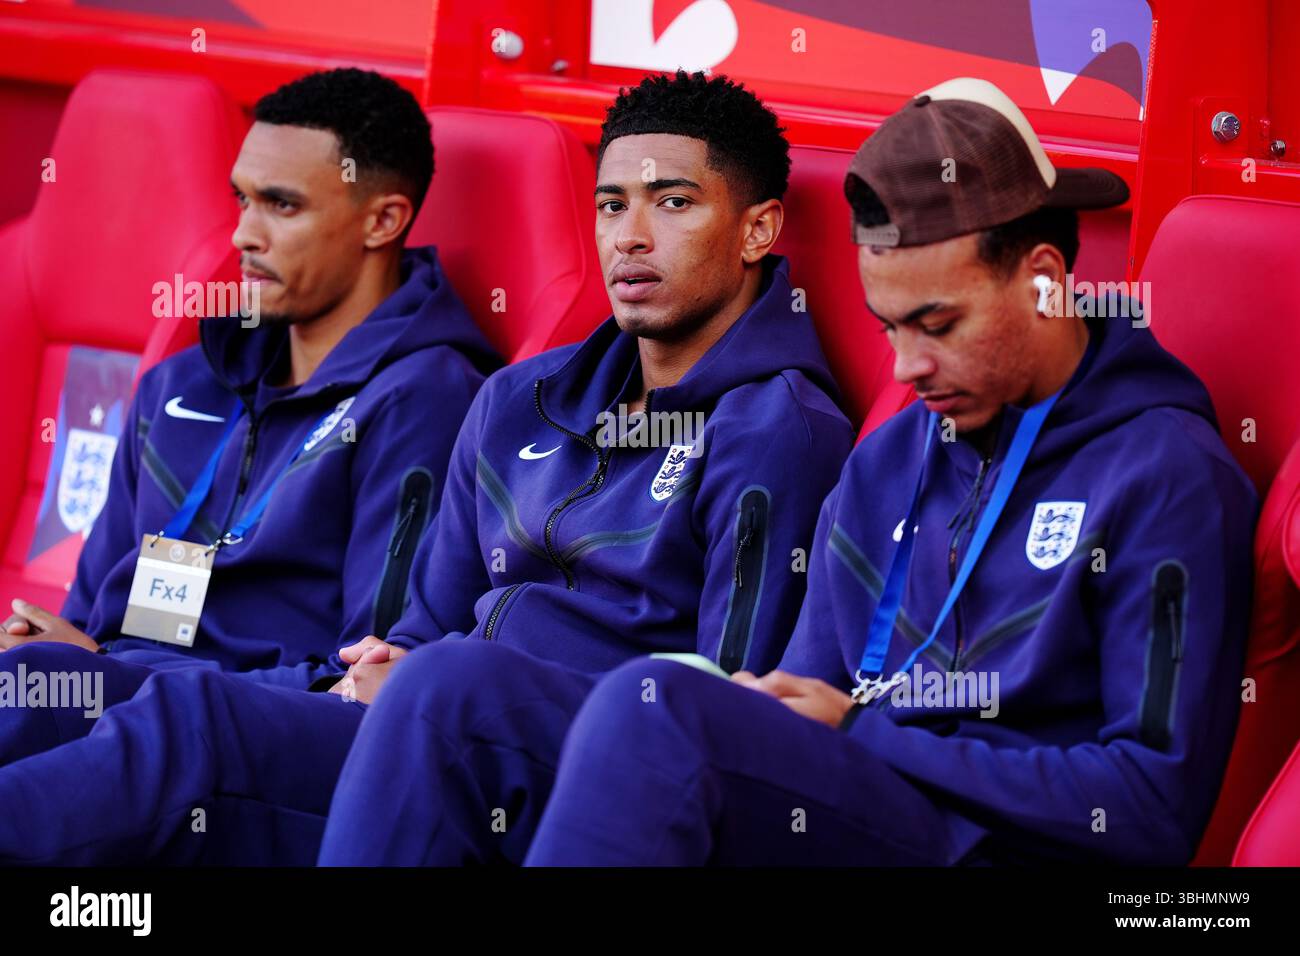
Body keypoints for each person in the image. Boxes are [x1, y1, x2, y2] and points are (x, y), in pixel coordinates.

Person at [0, 70, 852, 866]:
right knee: (36, 681)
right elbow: (424, 622)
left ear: (758, 229)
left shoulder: (779, 429)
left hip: (556, 767)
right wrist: (388, 661)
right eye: (610, 204)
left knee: (191, 723)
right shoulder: (522, 395)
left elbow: (719, 713)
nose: (629, 237)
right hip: (422, 724)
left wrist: (439, 675)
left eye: (672, 204)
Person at [522, 78, 1259, 866]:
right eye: (888, 329)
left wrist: (866, 732)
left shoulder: (1169, 473)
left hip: (1010, 847)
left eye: (937, 325)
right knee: (512, 695)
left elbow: (1149, 811)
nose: (906, 368)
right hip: (867, 812)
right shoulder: (891, 457)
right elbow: (804, 697)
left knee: (658, 713)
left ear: (1044, 280)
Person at [0, 67, 498, 764]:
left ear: (383, 221)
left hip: (244, 744)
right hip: (106, 709)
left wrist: (104, 673)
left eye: (281, 206)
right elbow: (86, 620)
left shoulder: (427, 401)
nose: (242, 234)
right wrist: (56, 647)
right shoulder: (181, 383)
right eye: (241, 200)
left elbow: (362, 678)